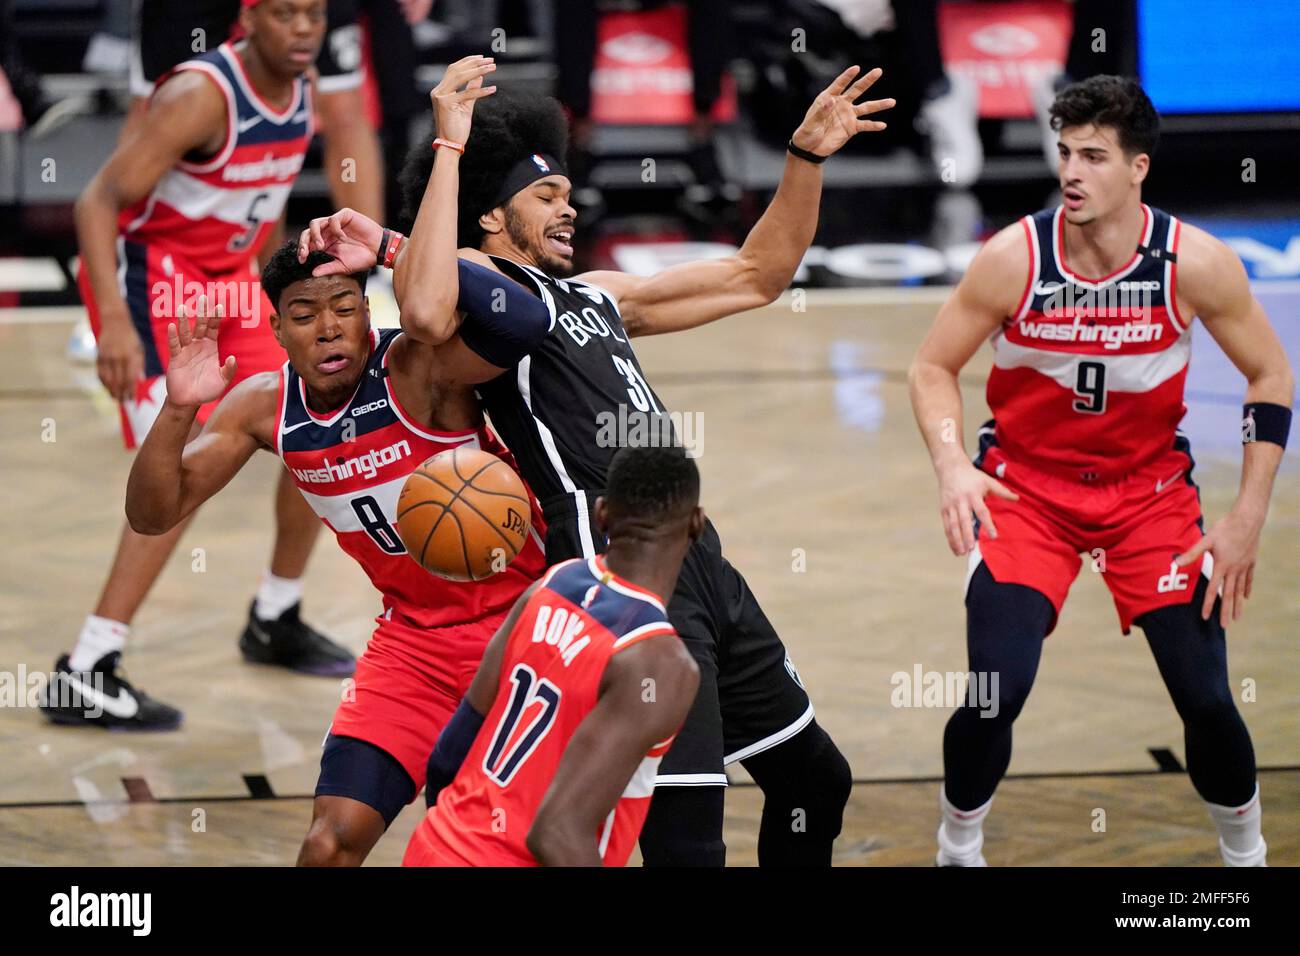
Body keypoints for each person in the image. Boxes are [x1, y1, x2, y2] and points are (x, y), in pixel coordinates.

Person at [298, 63, 895, 866]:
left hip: (702, 561)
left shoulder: (595, 295)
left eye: (568, 193)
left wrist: (805, 158)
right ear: (490, 214)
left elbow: (759, 275)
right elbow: (428, 305)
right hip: (625, 581)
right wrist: (445, 150)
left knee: (816, 782)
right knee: (688, 847)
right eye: (546, 196)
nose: (569, 205)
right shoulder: (485, 305)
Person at [122, 55, 556, 865]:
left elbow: (518, 324)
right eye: (304, 314)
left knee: (477, 846)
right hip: (413, 648)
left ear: (369, 313)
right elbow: (153, 511)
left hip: (518, 630)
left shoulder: (420, 370)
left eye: (344, 309)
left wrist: (406, 229)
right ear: (278, 330)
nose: (328, 328)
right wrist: (179, 407)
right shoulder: (261, 406)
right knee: (327, 846)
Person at [907, 75, 1293, 866]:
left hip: (1149, 499)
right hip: (1025, 495)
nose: (1071, 173)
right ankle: (958, 847)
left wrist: (1248, 515)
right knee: (995, 693)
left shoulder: (1195, 262)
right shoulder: (1014, 256)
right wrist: (953, 466)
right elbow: (930, 368)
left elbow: (1272, 376)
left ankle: (1247, 859)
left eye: (1093, 156)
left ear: (1138, 168)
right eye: (1064, 153)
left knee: (1209, 700)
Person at [43, 0, 350, 734]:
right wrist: (110, 321)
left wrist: (279, 299)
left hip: (232, 283)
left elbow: (263, 207)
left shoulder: (303, 86)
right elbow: (97, 200)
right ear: (250, 17)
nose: (303, 28)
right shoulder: (201, 95)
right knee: (175, 474)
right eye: (286, 14)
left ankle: (275, 615)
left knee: (325, 410)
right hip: (155, 284)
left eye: (314, 12)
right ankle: (87, 668)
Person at [404, 444, 703, 867]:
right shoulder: (660, 661)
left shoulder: (551, 584)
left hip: (434, 845)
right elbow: (558, 833)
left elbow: (448, 755)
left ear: (601, 514)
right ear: (697, 523)